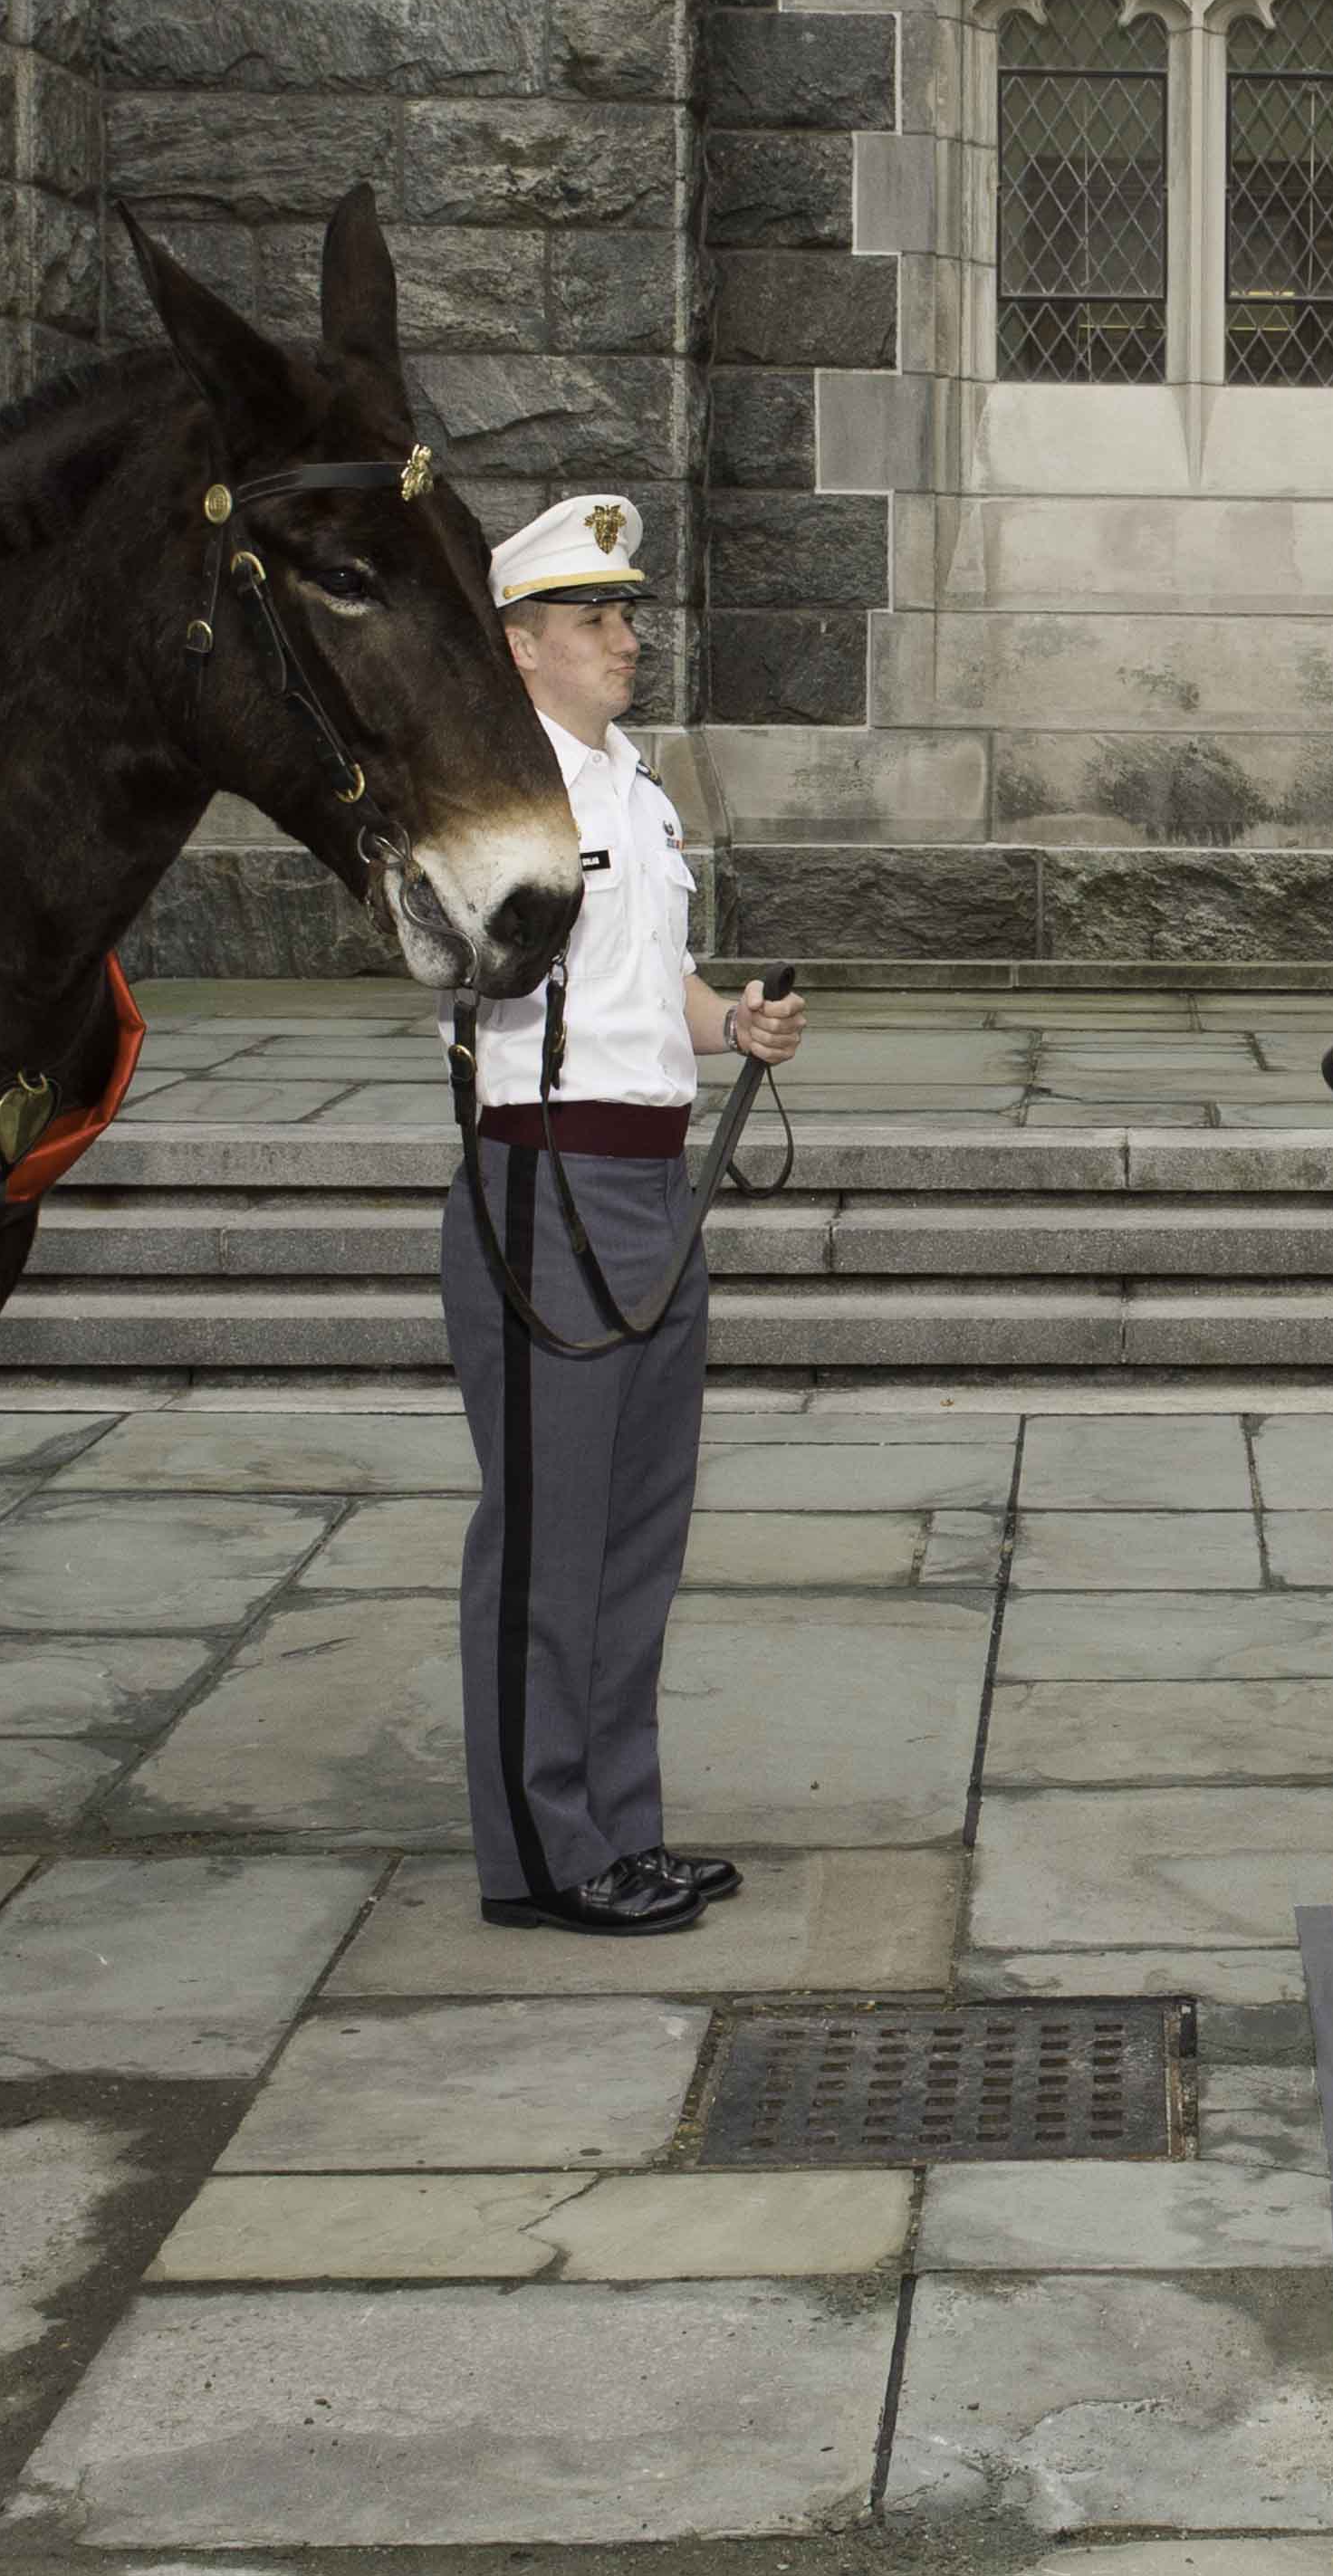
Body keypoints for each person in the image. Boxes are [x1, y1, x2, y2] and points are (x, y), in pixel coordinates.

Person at [449, 491, 813, 1938]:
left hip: (648, 1178)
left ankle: (615, 1823)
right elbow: (464, 968)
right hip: (540, 1187)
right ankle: (539, 1855)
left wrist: (730, 1023)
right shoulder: (489, 791)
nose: (624, 639)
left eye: (626, 615)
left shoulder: (636, 790)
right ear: (520, 645)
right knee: (548, 1537)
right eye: (594, 619)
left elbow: (637, 993)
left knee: (633, 1532)